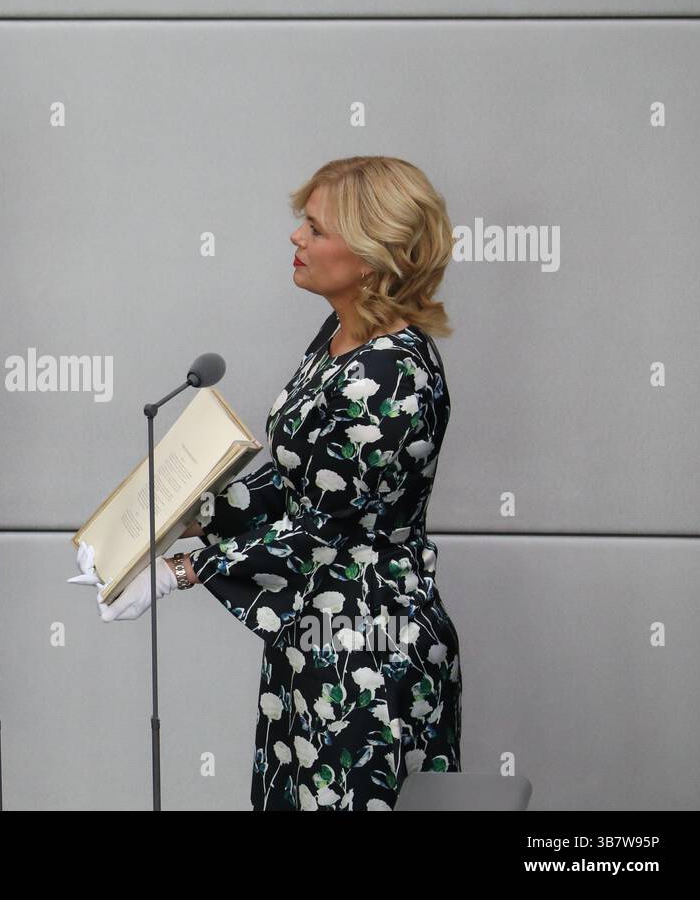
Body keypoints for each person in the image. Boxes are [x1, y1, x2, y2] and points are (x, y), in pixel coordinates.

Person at [71, 156, 461, 810]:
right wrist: (169, 522)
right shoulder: (340, 338)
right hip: (310, 642)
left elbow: (328, 530)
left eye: (315, 227)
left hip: (370, 653)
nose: (295, 238)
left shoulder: (394, 373)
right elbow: (297, 481)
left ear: (371, 254)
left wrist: (179, 569)